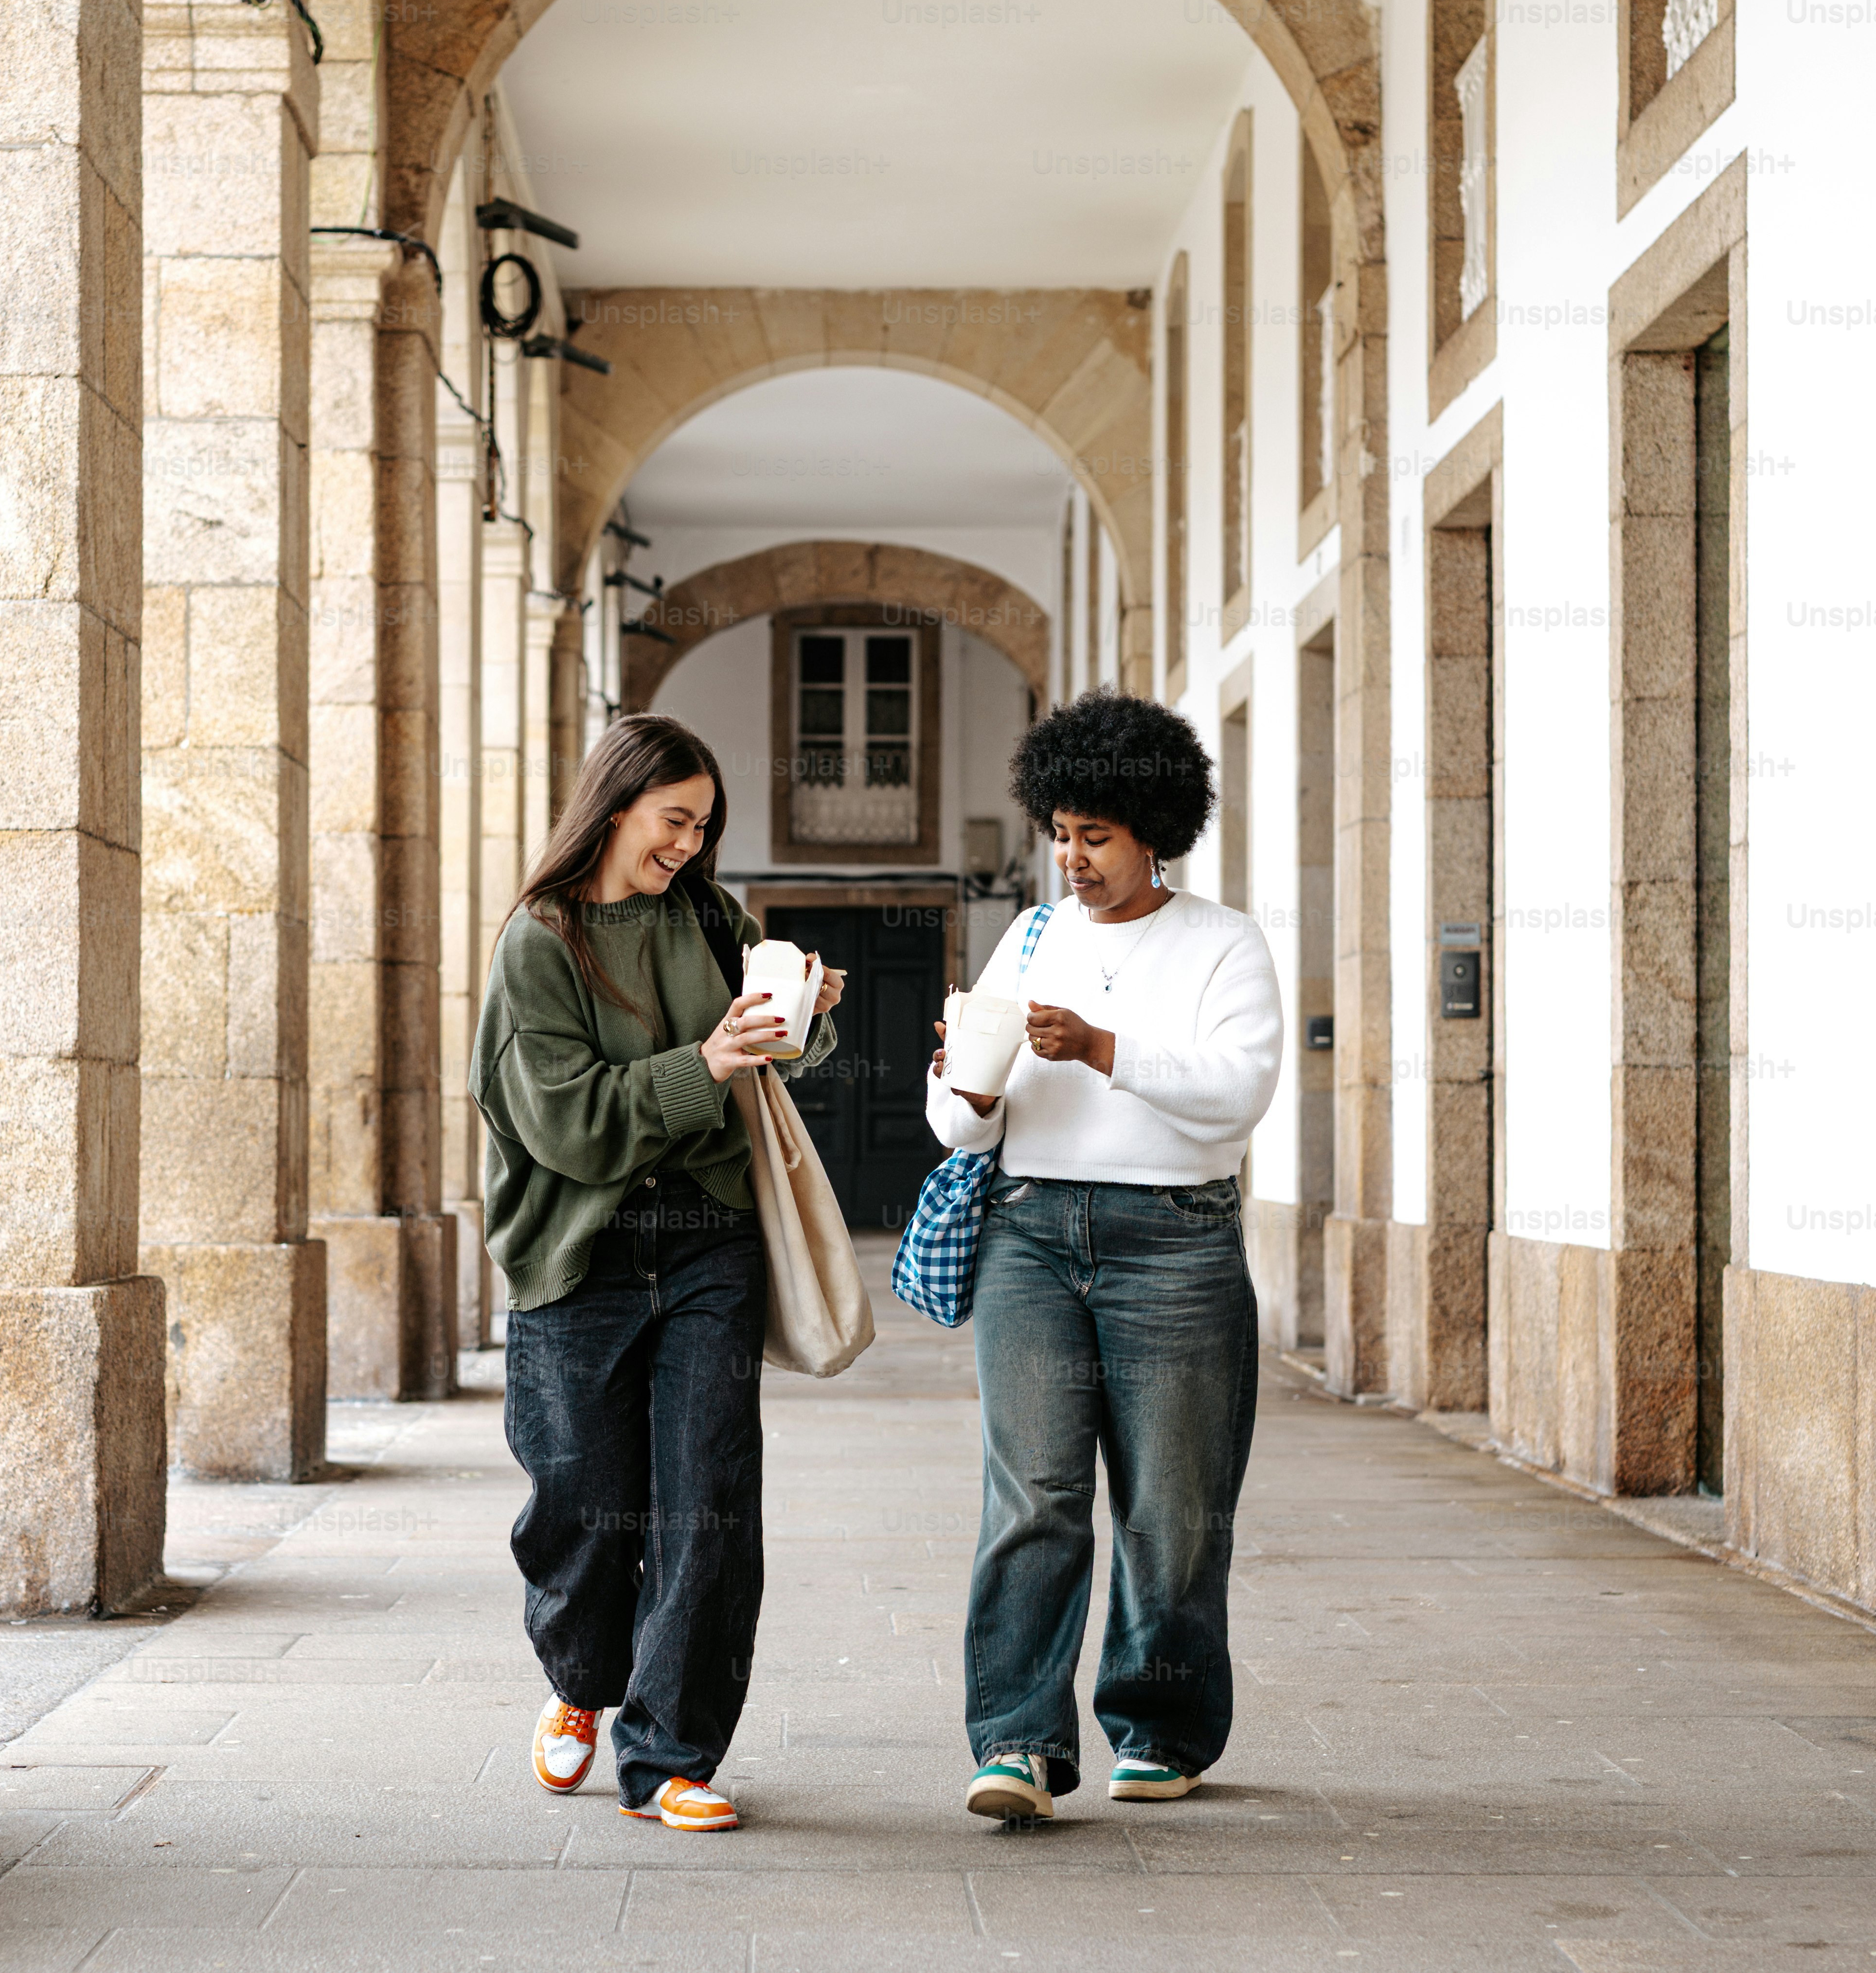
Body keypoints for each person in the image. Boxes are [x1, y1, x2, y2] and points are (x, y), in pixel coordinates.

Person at [471, 713, 843, 1833]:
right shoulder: (539, 941)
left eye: (703, 825)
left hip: (708, 1244)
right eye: (673, 819)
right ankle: (582, 1680)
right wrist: (702, 1064)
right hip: (576, 1254)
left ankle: (672, 1752)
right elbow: (569, 1126)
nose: (687, 842)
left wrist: (804, 1023)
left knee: (709, 1499)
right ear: (616, 802)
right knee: (583, 1504)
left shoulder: (711, 919)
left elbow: (770, 1056)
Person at [928, 689, 1284, 1822]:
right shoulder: (1029, 936)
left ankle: (1159, 1723)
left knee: (1171, 1508)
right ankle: (1018, 1742)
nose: (1073, 858)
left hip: (1174, 1247)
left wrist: (1099, 1047)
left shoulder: (1224, 942)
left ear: (1154, 833)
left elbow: (1237, 1097)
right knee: (1033, 1495)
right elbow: (959, 1128)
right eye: (1062, 832)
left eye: (1098, 836)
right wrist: (969, 1086)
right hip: (1030, 1236)